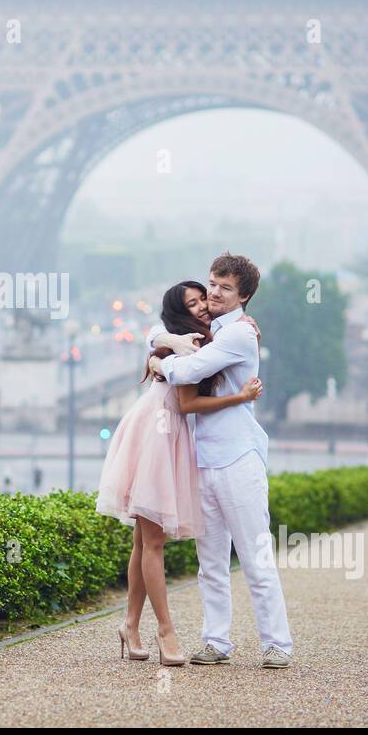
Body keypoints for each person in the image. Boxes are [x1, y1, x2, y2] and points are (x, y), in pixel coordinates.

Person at [97, 280, 264, 666]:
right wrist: (166, 350)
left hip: (168, 435)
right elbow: (164, 358)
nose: (204, 305)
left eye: (204, 298)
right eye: (193, 303)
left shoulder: (212, 338)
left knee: (143, 540)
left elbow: (157, 348)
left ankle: (130, 624)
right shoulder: (185, 339)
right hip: (158, 433)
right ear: (180, 311)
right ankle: (166, 632)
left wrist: (163, 354)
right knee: (152, 541)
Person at [147, 253, 293, 669]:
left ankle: (277, 644)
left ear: (244, 296)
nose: (213, 292)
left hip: (237, 457)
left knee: (254, 555)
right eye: (212, 283)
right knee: (209, 562)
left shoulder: (240, 335)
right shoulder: (206, 328)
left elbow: (187, 371)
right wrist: (165, 346)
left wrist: (161, 359)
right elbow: (155, 332)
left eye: (225, 287)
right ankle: (216, 641)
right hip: (203, 457)